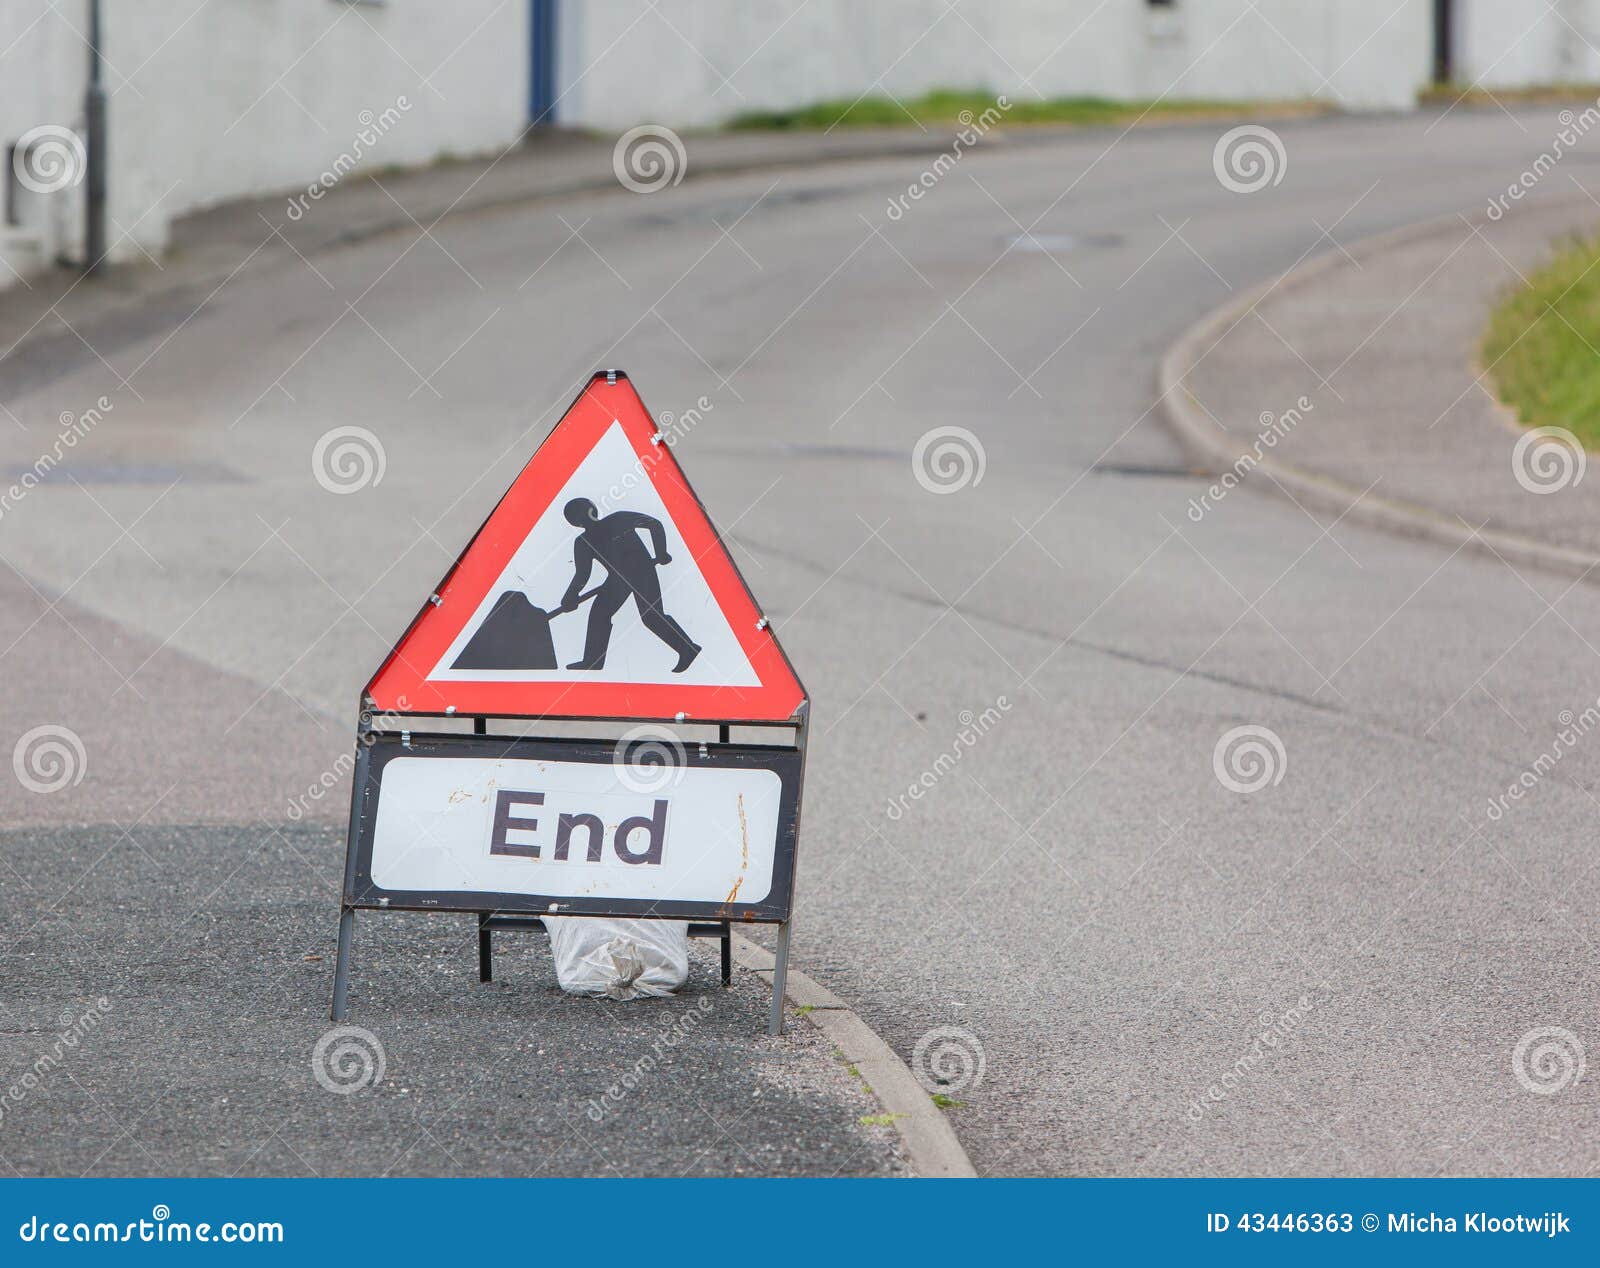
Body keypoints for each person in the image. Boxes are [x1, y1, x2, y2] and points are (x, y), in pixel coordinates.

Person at [557, 497, 701, 672]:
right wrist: (570, 596)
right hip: (618, 579)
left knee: (651, 616)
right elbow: (582, 574)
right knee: (599, 615)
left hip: (642, 571)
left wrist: (661, 552)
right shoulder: (584, 541)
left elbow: (653, 524)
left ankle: (688, 648)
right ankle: (593, 661)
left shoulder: (617, 520)